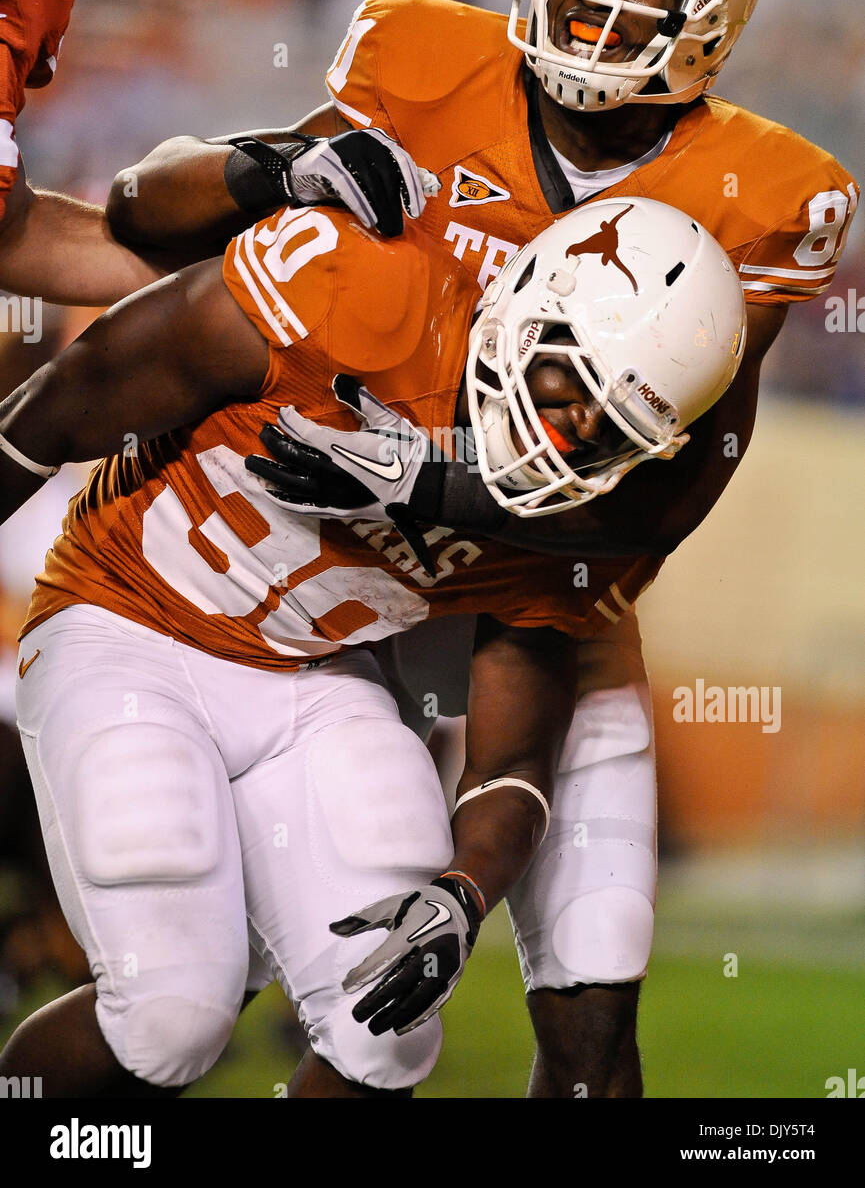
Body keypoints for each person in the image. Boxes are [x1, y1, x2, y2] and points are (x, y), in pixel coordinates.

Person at [104, 0, 859, 1096]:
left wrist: (430, 482)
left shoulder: (765, 193)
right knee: (237, 990)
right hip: (338, 590)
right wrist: (257, 167)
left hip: (539, 610)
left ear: (714, 14)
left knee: (589, 1018)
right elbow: (146, 216)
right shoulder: (422, 58)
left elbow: (661, 506)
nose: (599, 6)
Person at [0, 195, 744, 1097]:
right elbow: (69, 400)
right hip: (127, 618)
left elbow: (512, 760)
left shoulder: (572, 528)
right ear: (525, 312)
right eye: (572, 383)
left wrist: (462, 896)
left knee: (385, 1031)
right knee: (169, 1022)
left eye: (613, 429)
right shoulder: (359, 292)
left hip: (309, 676)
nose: (574, 433)